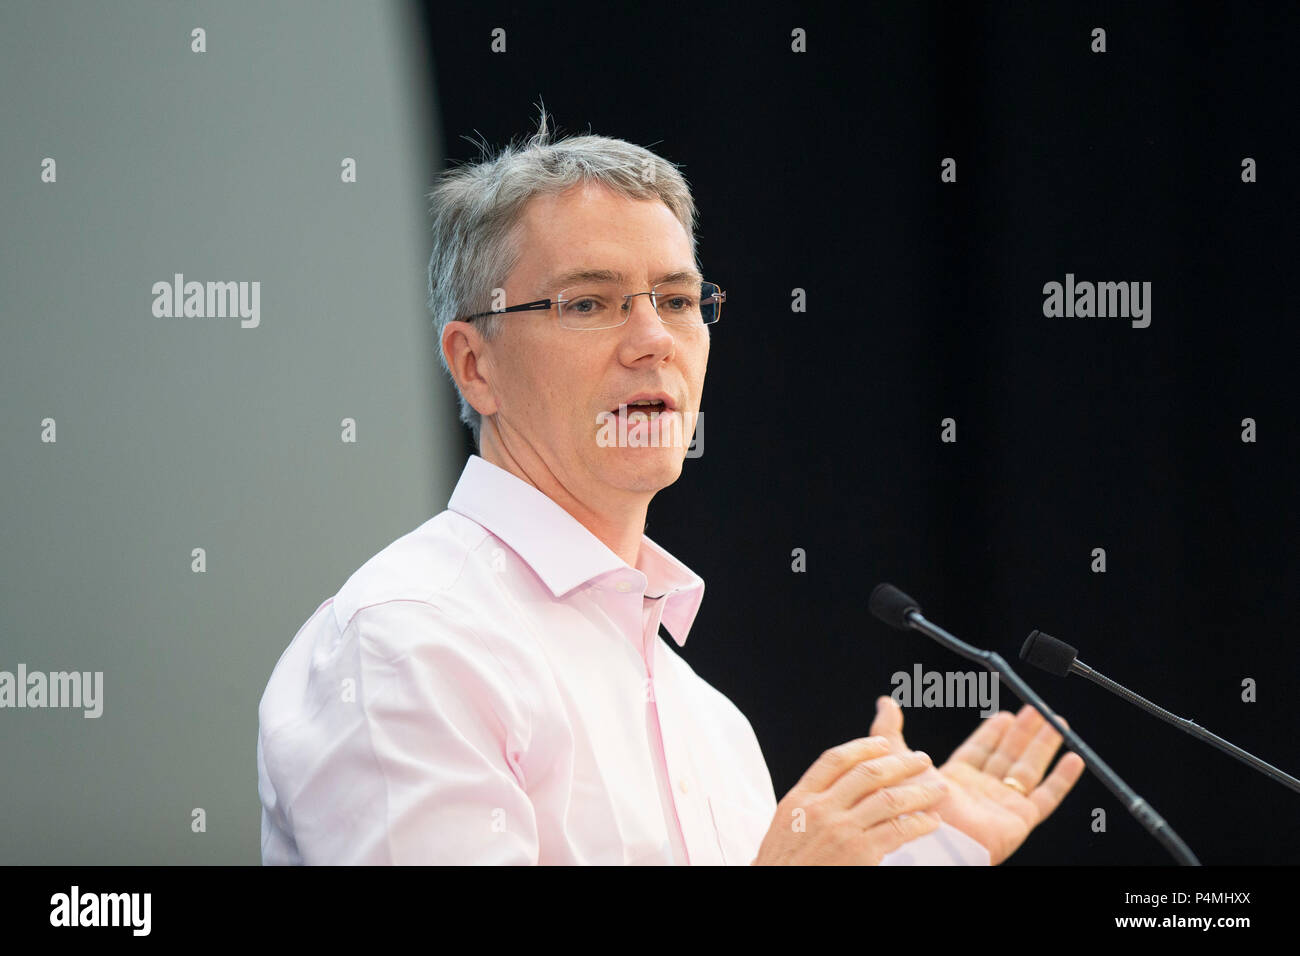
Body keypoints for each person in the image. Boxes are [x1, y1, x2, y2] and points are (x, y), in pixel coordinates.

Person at [256, 113, 1085, 865]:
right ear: (477, 366)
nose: (654, 339)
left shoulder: (710, 725)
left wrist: (932, 851)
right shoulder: (409, 641)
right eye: (589, 303)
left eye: (679, 300)